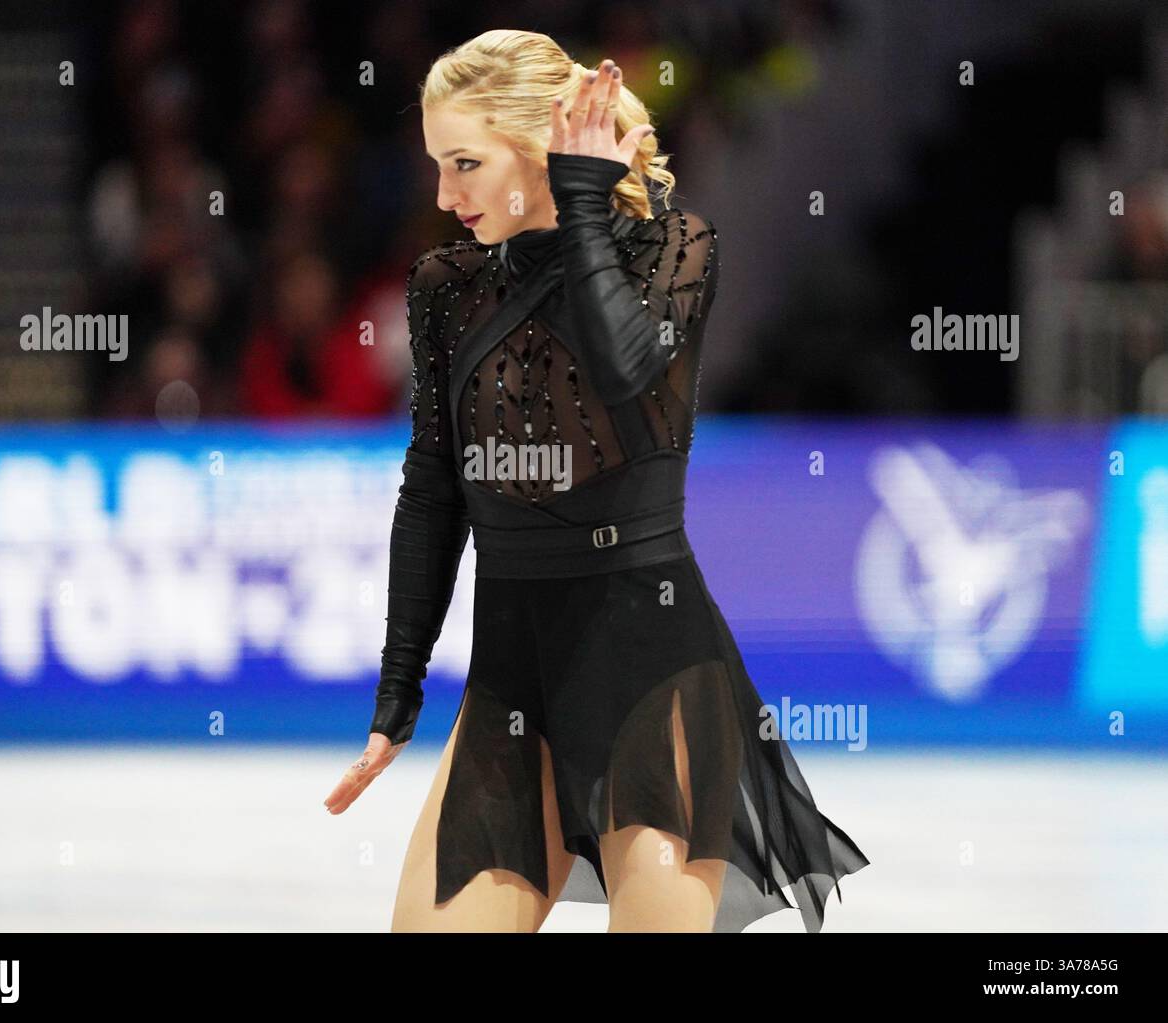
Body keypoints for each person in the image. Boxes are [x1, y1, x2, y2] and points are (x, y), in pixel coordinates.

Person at [324, 30, 870, 933]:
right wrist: (398, 693)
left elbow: (624, 373)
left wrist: (579, 206)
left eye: (464, 163)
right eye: (436, 166)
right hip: (509, 687)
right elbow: (432, 491)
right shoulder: (445, 286)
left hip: (652, 681)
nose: (443, 194)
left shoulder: (675, 247)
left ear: (542, 146)